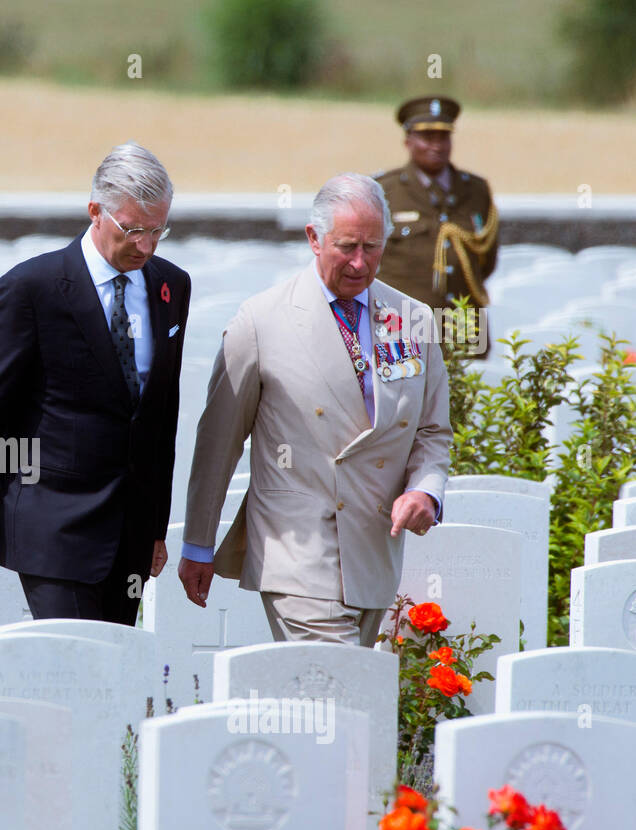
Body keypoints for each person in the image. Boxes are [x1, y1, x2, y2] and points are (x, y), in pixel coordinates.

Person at [177, 173, 452, 647]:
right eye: (347, 246)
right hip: (297, 554)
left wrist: (427, 491)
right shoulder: (261, 321)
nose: (360, 263)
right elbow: (219, 440)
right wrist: (198, 544)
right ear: (313, 238)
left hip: (375, 550)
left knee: (337, 709)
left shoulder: (413, 319)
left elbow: (432, 430)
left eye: (373, 246)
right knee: (336, 689)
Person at [0, 143, 190, 626]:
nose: (146, 245)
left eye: (159, 230)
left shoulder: (170, 286)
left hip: (130, 532)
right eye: (133, 229)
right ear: (95, 211)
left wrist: (156, 526)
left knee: (115, 672)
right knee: (77, 666)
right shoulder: (31, 288)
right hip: (52, 526)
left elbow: (161, 418)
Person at [375, 96, 498, 357]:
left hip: (463, 324)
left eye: (443, 138)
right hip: (403, 326)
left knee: (468, 393)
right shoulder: (385, 190)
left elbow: (487, 260)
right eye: (427, 137)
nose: (436, 146)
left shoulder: (476, 190)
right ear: (408, 141)